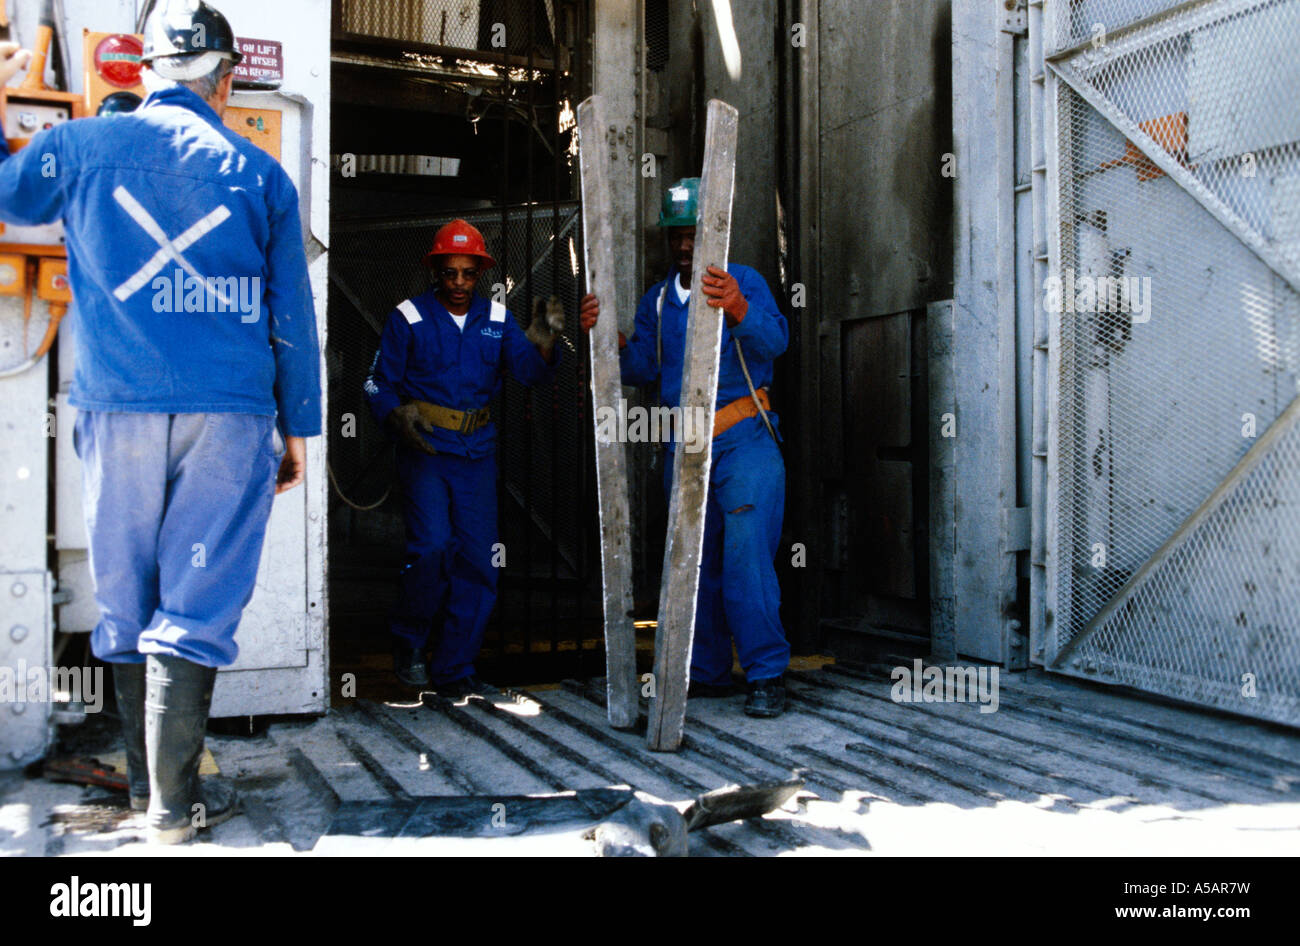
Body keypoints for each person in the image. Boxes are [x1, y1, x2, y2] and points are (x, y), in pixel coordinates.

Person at [0, 1, 322, 843]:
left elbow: (9, 192)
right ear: (225, 78)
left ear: (144, 72)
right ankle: (173, 810)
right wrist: (298, 428)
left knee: (125, 594)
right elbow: (291, 313)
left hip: (120, 406)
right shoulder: (261, 176)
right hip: (231, 413)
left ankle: (148, 795)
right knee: (197, 597)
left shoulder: (81, 146)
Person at [579, 177, 791, 718]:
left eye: (693, 232)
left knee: (746, 561)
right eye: (676, 234)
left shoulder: (743, 280)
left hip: (745, 440)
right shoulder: (657, 300)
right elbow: (641, 368)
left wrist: (739, 307)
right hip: (685, 444)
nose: (683, 245)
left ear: (714, 229)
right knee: (694, 567)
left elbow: (776, 341)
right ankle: (709, 671)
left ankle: (766, 674)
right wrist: (606, 337)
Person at [364, 219, 564, 697]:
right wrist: (396, 415)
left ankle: (455, 668)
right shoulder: (407, 317)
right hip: (427, 450)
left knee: (479, 561)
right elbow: (376, 383)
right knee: (431, 547)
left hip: (477, 452)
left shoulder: (497, 320)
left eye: (467, 274)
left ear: (479, 273)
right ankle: (410, 642)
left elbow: (532, 375)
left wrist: (546, 341)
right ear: (436, 270)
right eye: (449, 273)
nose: (458, 283)